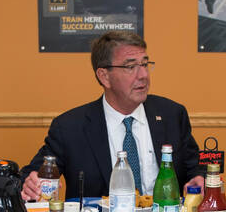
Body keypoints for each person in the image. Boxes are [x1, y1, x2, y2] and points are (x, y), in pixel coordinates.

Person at [22, 32, 202, 199]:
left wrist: (199, 178)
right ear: (104, 76)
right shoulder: (70, 128)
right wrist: (30, 184)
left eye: (145, 64)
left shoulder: (171, 114)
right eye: (131, 66)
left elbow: (195, 166)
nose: (144, 75)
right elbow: (29, 176)